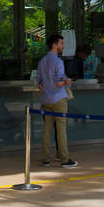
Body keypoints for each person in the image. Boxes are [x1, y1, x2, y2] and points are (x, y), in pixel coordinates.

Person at [35, 33, 76, 167]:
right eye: (61, 43)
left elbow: (39, 82)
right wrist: (67, 81)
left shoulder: (42, 61)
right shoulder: (58, 62)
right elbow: (59, 82)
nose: (63, 46)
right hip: (58, 99)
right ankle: (64, 159)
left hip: (46, 99)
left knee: (47, 129)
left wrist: (47, 88)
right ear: (55, 45)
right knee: (61, 129)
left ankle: (46, 158)